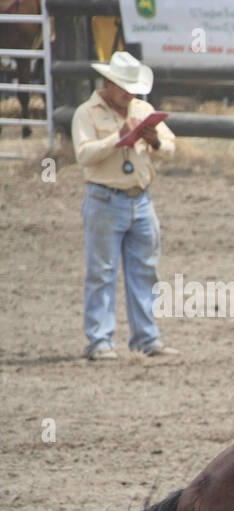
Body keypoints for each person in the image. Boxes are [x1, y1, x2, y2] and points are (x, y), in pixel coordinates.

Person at [71, 51, 178, 360]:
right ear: (108, 82)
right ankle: (100, 340)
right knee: (101, 272)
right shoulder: (86, 113)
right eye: (123, 86)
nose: (129, 93)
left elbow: (170, 149)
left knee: (145, 271)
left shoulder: (143, 109)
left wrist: (154, 140)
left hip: (141, 199)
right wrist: (116, 139)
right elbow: (84, 155)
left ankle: (146, 337)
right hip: (104, 198)